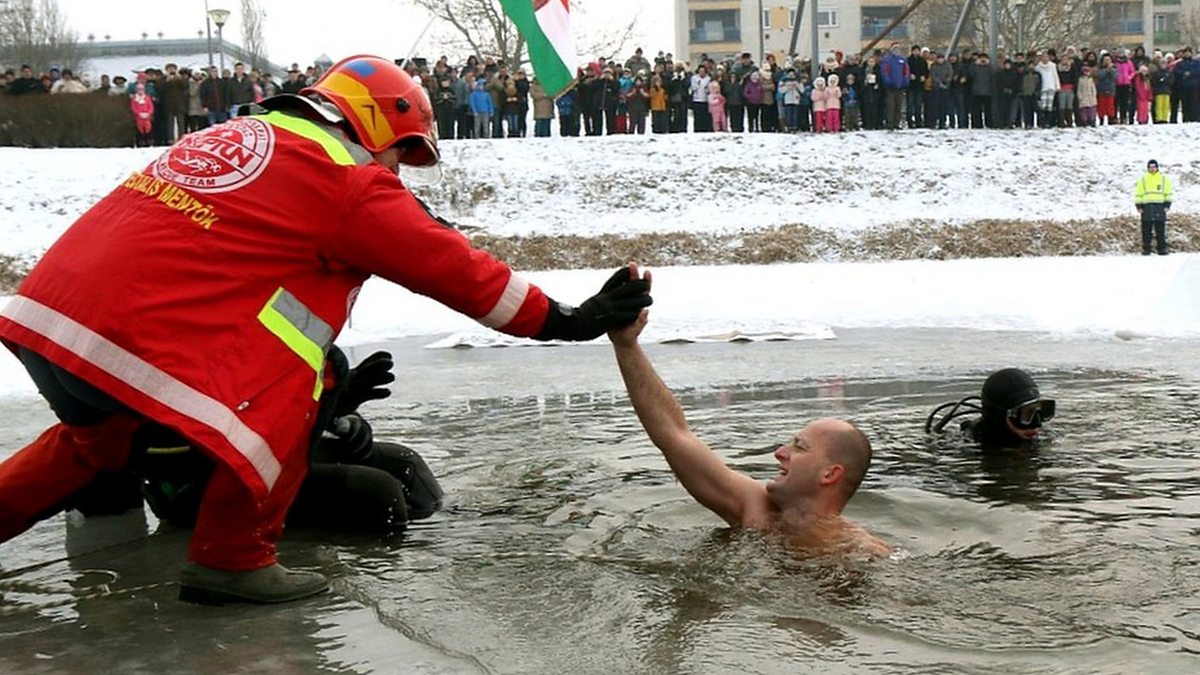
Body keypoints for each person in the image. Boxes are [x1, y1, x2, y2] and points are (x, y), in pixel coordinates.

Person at [0, 55, 653, 605]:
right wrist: (567, 319)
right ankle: (233, 557)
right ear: (376, 125)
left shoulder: (228, 136)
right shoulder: (343, 178)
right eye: (401, 153)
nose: (397, 169)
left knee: (93, 442)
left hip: (42, 317)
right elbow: (452, 267)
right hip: (139, 336)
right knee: (292, 362)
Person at [608, 272, 889, 558]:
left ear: (830, 474)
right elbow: (673, 435)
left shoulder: (858, 552)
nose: (780, 452)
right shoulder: (754, 507)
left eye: (799, 447)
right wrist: (626, 345)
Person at [925, 368, 1055, 451]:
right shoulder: (968, 449)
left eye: (1040, 411)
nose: (1037, 423)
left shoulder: (1043, 439)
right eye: (1026, 414)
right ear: (999, 416)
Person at [1134, 159, 1173, 256]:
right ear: (1148, 168)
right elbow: (1138, 194)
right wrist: (1139, 206)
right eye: (1150, 167)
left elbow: (1168, 193)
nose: (1152, 169)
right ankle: (1146, 249)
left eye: (1154, 167)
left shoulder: (1164, 179)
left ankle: (1162, 249)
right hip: (1146, 207)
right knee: (1146, 230)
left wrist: (1167, 204)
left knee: (1160, 230)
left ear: (1157, 167)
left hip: (1160, 207)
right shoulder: (1142, 180)